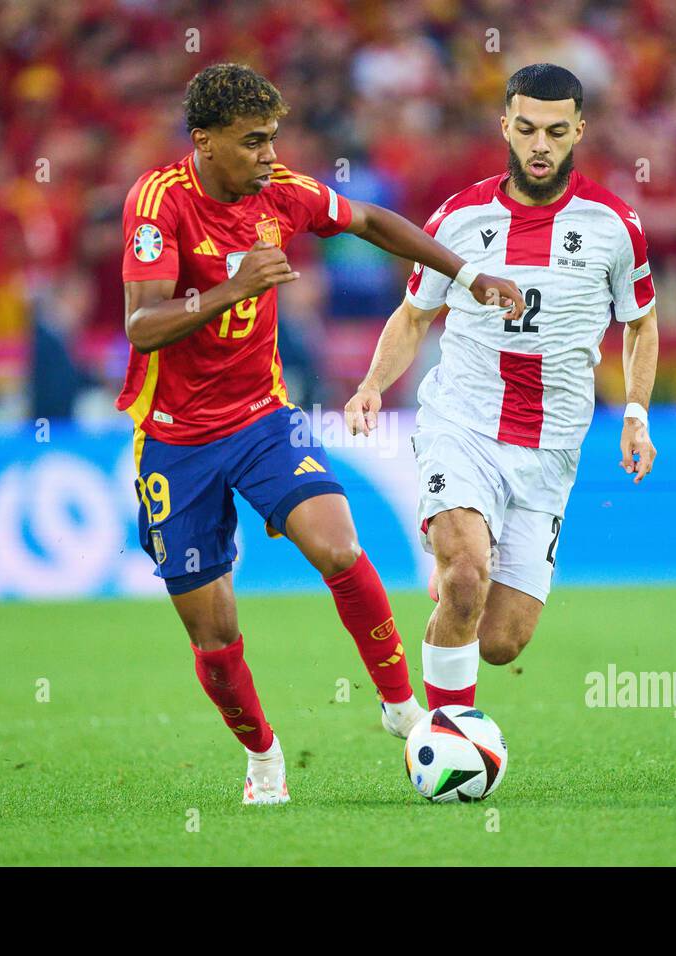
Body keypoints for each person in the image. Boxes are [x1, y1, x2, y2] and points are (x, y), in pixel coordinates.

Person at [120, 64, 524, 805]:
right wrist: (233, 288)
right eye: (251, 142)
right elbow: (141, 328)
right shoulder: (157, 204)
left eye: (273, 138)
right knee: (214, 633)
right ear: (204, 142)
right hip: (174, 442)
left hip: (263, 417)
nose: (269, 155)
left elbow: (368, 221)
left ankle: (402, 705)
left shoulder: (280, 194)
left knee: (339, 545)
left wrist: (470, 277)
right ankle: (265, 757)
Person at [346, 64, 660, 718]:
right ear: (505, 128)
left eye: (553, 130)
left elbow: (641, 323)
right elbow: (413, 317)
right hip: (464, 423)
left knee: (500, 641)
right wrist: (373, 384)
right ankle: (440, 735)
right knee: (465, 581)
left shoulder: (615, 225)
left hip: (551, 447)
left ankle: (462, 567)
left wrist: (636, 413)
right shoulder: (459, 218)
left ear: (579, 129)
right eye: (525, 129)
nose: (539, 145)